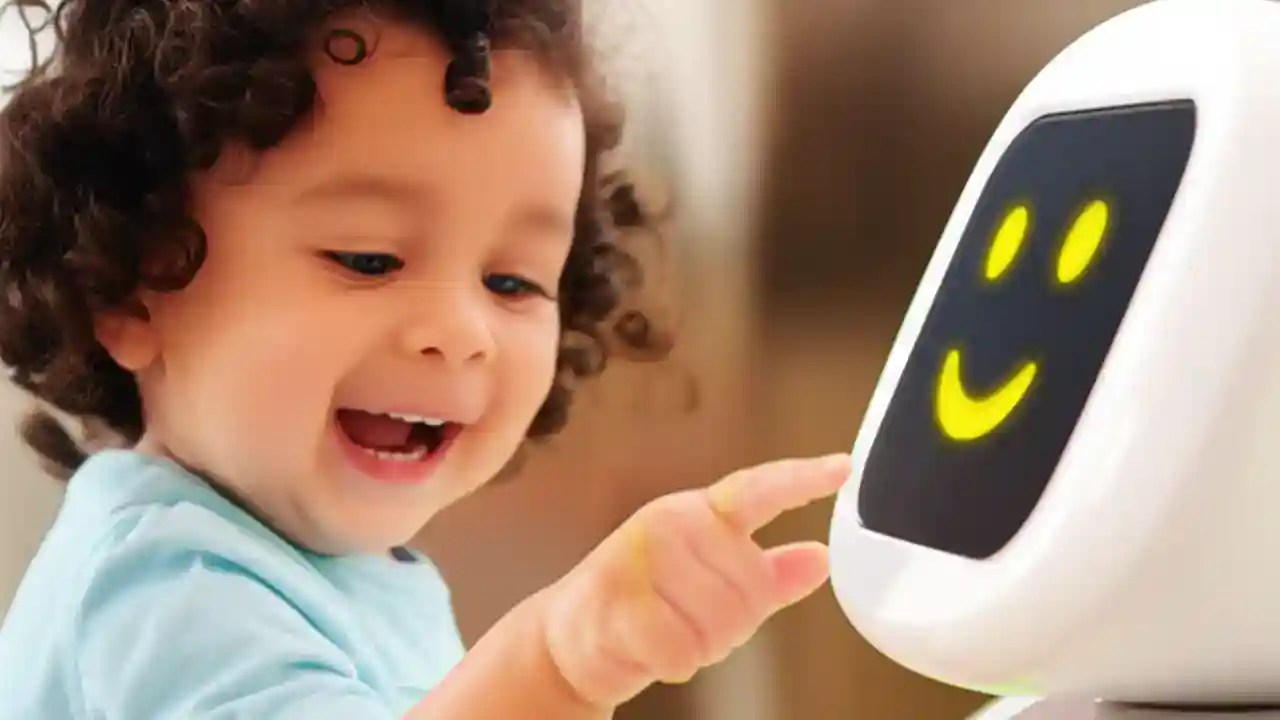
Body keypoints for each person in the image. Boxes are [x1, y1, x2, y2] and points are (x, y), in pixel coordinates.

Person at [0, 1, 851, 718]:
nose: (462, 330)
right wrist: (556, 666)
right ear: (127, 290)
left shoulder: (335, 572)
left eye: (513, 281)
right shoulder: (163, 589)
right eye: (368, 258)